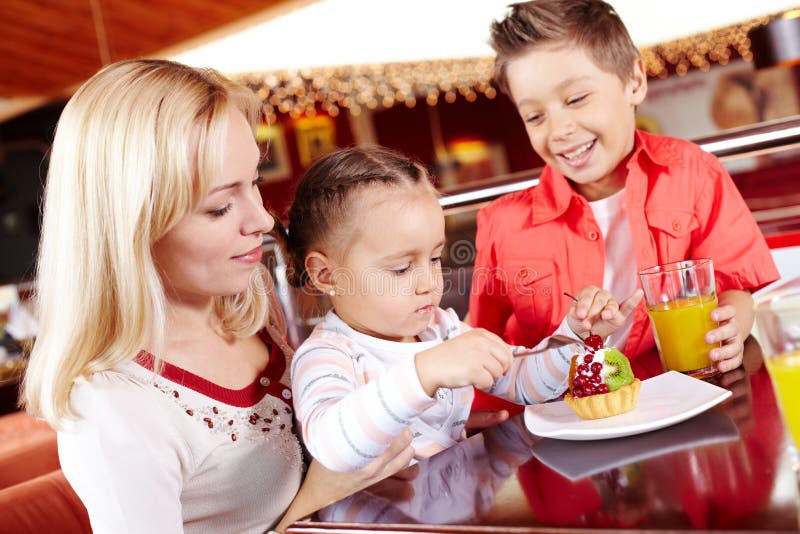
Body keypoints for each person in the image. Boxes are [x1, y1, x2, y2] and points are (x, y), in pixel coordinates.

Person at [21, 59, 414, 533]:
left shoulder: (248, 298)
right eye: (220, 207)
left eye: (255, 182)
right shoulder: (112, 408)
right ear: (130, 227)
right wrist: (317, 496)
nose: (263, 221)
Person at [284, 146, 641, 472]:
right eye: (401, 268)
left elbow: (521, 378)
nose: (429, 283)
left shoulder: (443, 329)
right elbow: (332, 446)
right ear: (327, 274)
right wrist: (424, 373)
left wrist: (574, 337)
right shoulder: (326, 355)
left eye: (435, 258)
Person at [470, 0, 779, 373]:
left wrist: (733, 327)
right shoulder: (501, 224)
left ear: (633, 81)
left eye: (576, 99)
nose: (558, 130)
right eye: (535, 116)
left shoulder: (694, 172)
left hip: (679, 388)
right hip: (562, 413)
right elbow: (482, 343)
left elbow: (735, 284)